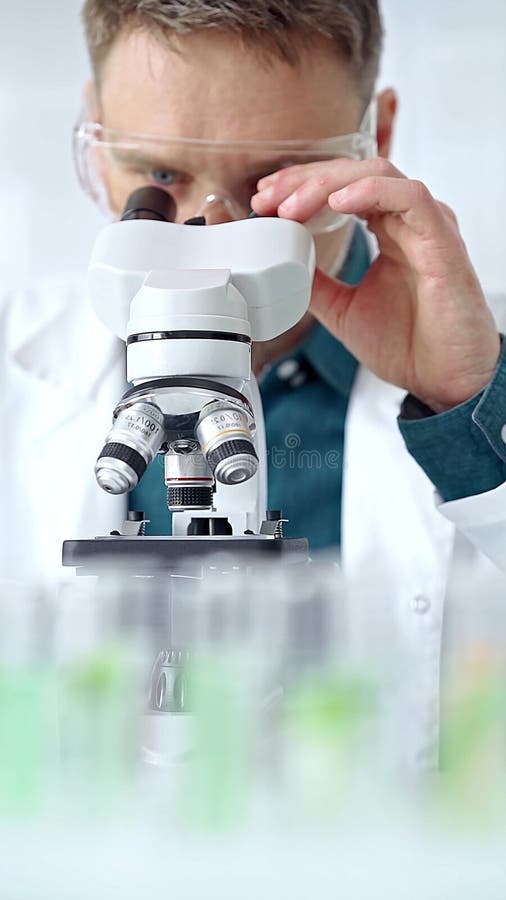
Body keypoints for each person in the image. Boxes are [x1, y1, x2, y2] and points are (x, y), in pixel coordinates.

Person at [1, 0, 505, 767]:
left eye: (273, 181)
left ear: (377, 137)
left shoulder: (477, 374)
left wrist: (468, 406)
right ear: (95, 137)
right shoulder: (16, 360)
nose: (211, 228)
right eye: (159, 177)